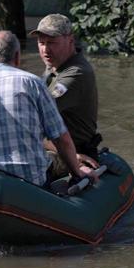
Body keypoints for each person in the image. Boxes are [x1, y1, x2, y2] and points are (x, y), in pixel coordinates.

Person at [0, 30, 95, 187]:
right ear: (17, 56)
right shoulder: (33, 83)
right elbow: (61, 138)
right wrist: (77, 172)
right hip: (32, 181)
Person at [30, 14, 102, 173]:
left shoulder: (76, 73)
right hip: (52, 145)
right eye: (41, 43)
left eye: (52, 43)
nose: (45, 49)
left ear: (70, 40)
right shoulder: (54, 65)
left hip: (72, 152)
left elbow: (35, 115)